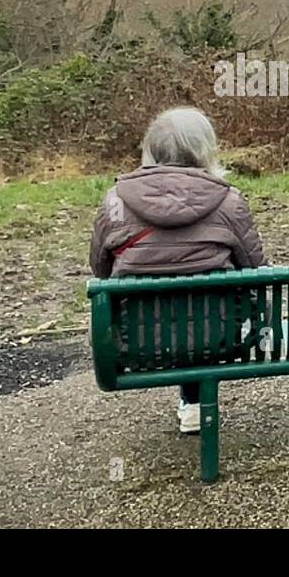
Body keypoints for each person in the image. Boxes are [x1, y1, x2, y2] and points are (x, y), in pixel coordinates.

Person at [89, 107, 265, 434]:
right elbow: (256, 270)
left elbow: (100, 268)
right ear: (205, 149)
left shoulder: (115, 202)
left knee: (174, 317)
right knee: (202, 314)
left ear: (151, 149)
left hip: (136, 341)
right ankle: (195, 401)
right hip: (221, 336)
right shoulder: (230, 201)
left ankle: (191, 402)